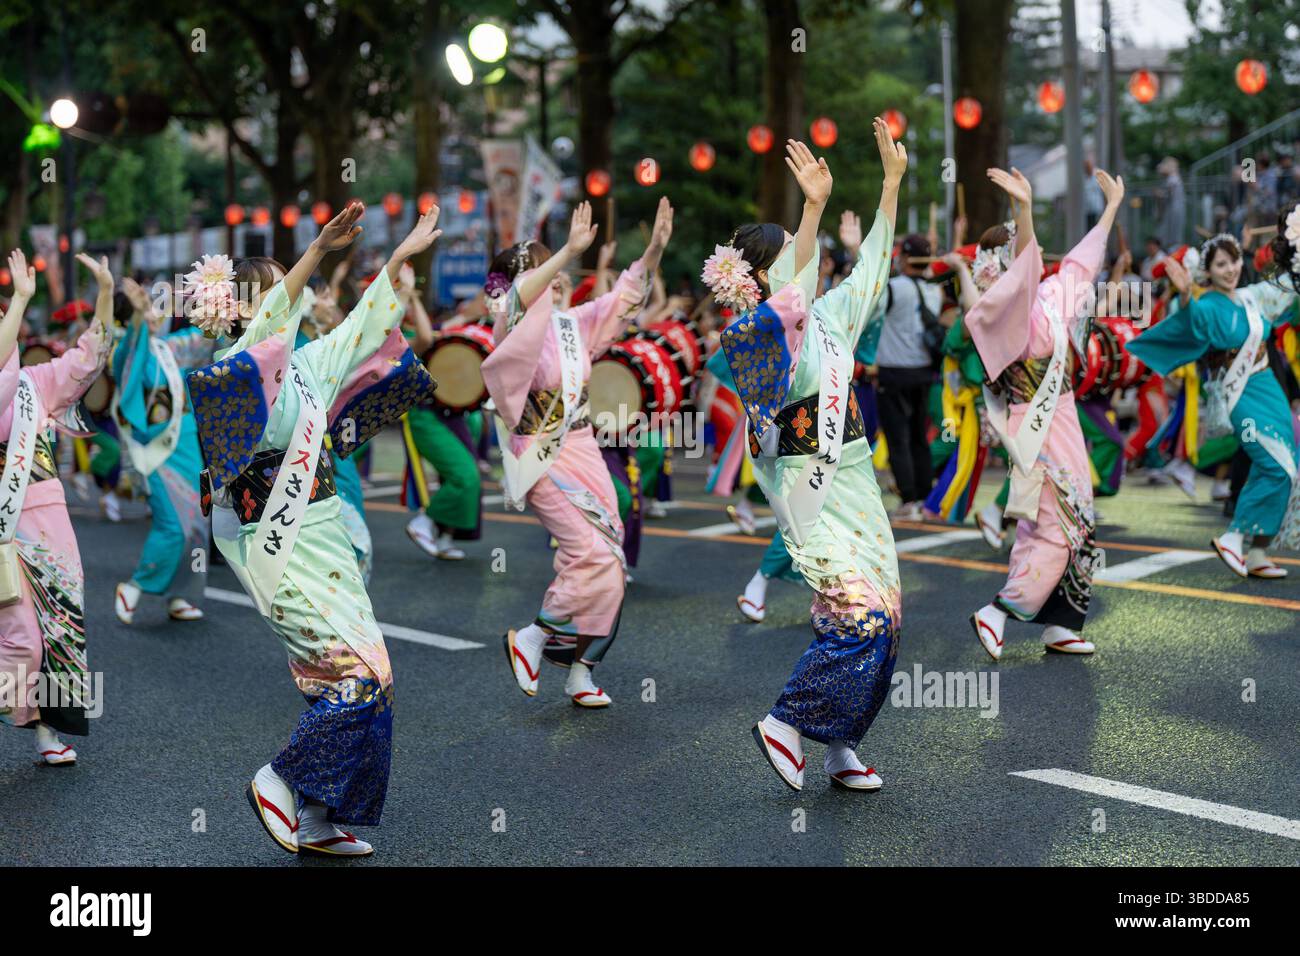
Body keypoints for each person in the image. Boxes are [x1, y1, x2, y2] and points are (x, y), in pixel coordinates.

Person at [185, 202, 442, 857]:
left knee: (367, 680)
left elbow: (360, 327)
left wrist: (402, 255)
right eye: (276, 289)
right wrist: (318, 251)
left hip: (323, 533)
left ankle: (319, 817)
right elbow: (275, 317)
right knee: (357, 677)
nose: (291, 299)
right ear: (244, 307)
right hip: (279, 542)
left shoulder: (302, 365)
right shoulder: (234, 368)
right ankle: (280, 778)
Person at [714, 120, 906, 793]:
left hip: (853, 475)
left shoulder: (828, 316)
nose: (811, 260)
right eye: (789, 258)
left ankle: (841, 741)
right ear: (755, 278)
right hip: (807, 483)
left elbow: (873, 266)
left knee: (883, 610)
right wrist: (814, 208)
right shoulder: (759, 335)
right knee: (857, 610)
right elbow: (793, 288)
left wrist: (891, 185)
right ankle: (787, 722)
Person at [485, 198, 673, 708]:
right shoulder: (510, 328)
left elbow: (624, 297)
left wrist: (652, 251)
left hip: (584, 445)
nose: (557, 276)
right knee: (586, 552)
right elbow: (519, 299)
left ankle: (581, 671)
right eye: (545, 269)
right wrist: (566, 250)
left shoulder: (572, 328)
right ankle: (535, 635)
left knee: (610, 559)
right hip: (541, 452)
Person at [966, 165, 1125, 660]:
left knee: (1071, 518)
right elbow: (1030, 267)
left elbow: (1080, 266)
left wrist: (1112, 211)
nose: (1021, 261)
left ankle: (1062, 622)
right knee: (1057, 523)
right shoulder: (1004, 309)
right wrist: (1024, 210)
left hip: (1063, 419)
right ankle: (1001, 609)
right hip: (1031, 428)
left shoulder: (1053, 299)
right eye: (1009, 255)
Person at [1127, 220, 1299, 577]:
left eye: (1234, 261)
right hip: (1242, 395)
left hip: (1269, 386)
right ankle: (1234, 538)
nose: (1231, 269)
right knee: (1274, 465)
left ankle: (1258, 552)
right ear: (1207, 271)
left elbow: (1285, 293)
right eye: (1221, 264)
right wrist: (1186, 293)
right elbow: (1193, 324)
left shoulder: (1253, 296)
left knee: (1289, 466)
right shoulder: (1206, 307)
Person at [0, 250, 113, 766]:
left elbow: (89, 357)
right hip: (5, 530)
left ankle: (49, 729)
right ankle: (20, 711)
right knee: (21, 639)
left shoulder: (35, 384)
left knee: (62, 626)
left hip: (49, 518)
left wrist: (106, 293)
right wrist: (21, 298)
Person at [110, 276, 216, 624]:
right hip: (155, 451)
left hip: (187, 442)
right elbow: (129, 358)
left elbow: (208, 338)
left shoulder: (171, 348)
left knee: (199, 527)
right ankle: (136, 585)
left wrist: (220, 305)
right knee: (173, 525)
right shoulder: (125, 352)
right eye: (142, 308)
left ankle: (183, 594)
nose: (153, 313)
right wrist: (139, 318)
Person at [873, 233, 943, 519]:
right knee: (918, 436)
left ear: (903, 258)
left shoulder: (892, 288)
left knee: (897, 437)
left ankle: (908, 499)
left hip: (893, 371)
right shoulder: (935, 292)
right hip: (924, 371)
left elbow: (873, 316)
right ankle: (924, 497)